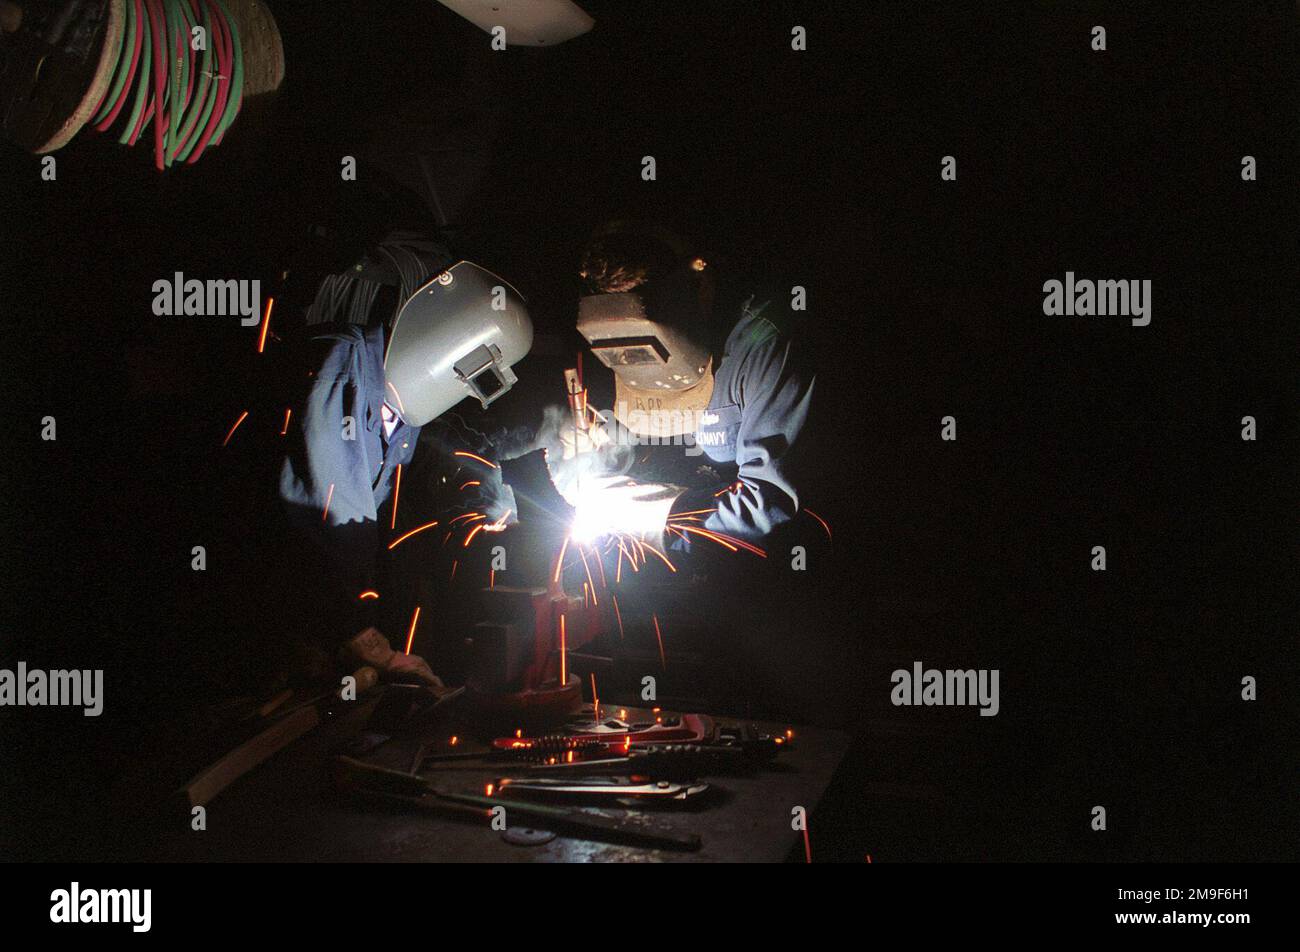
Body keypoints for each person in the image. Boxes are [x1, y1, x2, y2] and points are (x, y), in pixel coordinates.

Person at [278, 233, 532, 684]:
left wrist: (494, 482)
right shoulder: (347, 364)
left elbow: (450, 445)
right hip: (288, 598)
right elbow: (337, 506)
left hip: (331, 601)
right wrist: (366, 639)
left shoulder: (402, 392)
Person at [560, 221, 815, 549]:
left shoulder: (765, 343)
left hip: (760, 565)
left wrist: (650, 519)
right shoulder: (604, 325)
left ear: (700, 286)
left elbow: (767, 508)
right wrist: (588, 445)